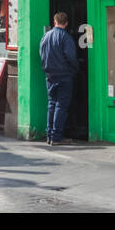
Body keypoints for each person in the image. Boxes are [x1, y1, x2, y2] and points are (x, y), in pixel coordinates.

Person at [39, 11, 78, 145]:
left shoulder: (45, 36)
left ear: (55, 22)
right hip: (64, 75)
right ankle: (56, 137)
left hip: (50, 75)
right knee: (61, 106)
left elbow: (41, 54)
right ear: (66, 23)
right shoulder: (66, 38)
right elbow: (71, 57)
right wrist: (75, 68)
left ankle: (49, 135)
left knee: (52, 104)